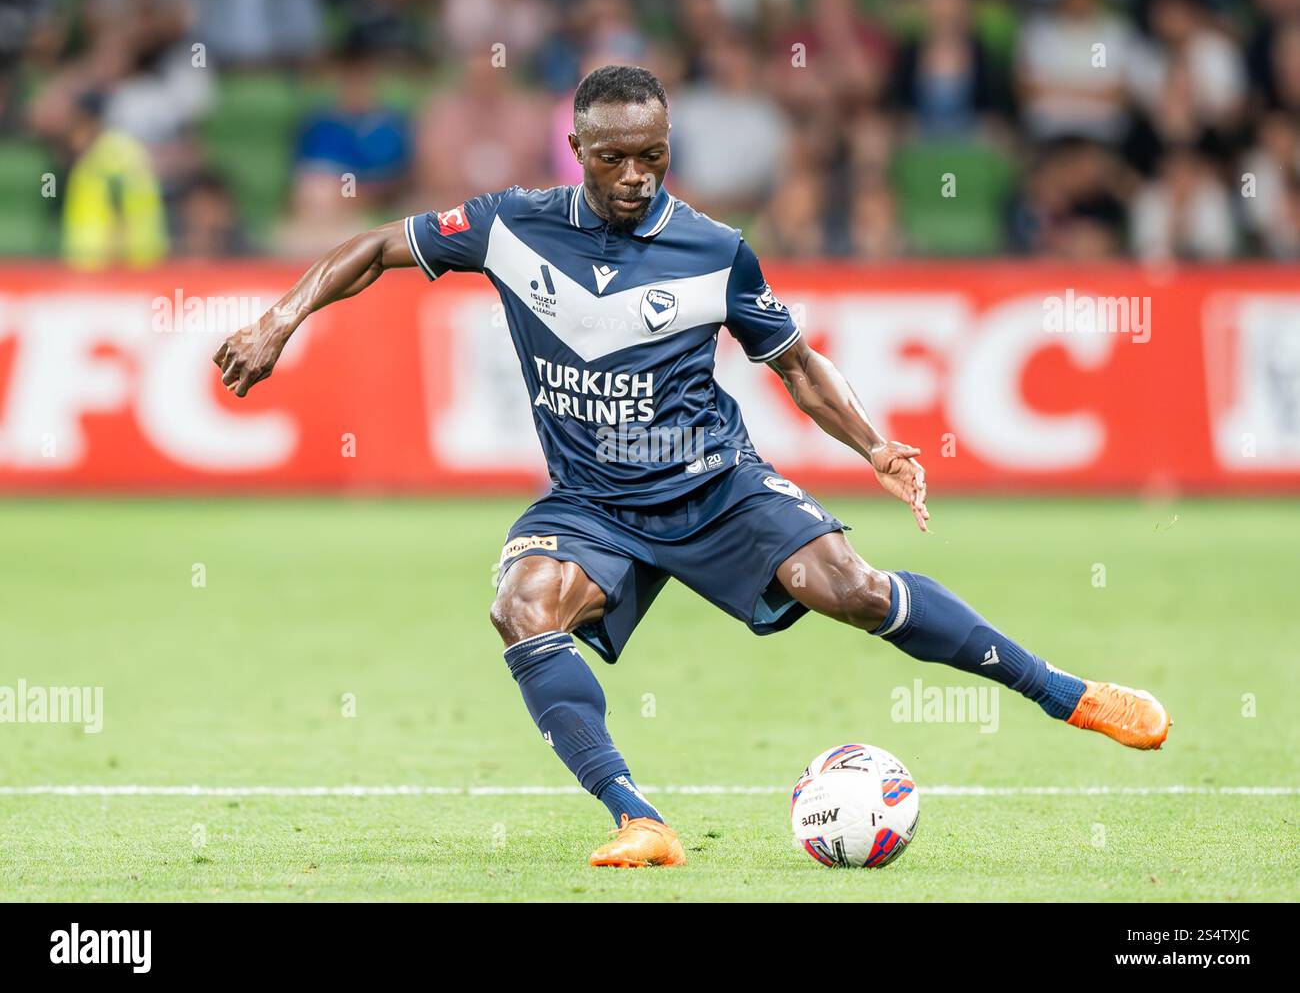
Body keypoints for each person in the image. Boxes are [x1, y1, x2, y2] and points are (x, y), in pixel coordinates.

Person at [213, 66, 1171, 869]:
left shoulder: (714, 250)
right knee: (521, 605)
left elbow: (791, 359)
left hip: (714, 484)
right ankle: (639, 819)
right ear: (578, 152)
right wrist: (276, 320)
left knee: (852, 589)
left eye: (653, 157)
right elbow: (378, 245)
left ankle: (1069, 695)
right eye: (614, 158)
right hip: (593, 501)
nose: (635, 176)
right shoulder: (511, 225)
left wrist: (874, 444)